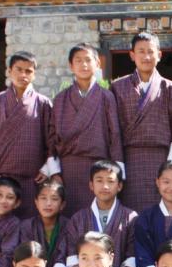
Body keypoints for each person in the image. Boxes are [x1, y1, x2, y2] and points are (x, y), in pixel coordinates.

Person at [0, 51, 57, 217]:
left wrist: (47, 168)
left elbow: (52, 140)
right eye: (19, 69)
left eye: (28, 71)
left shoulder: (43, 103)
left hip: (32, 180)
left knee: (30, 228)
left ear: (34, 74)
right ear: (9, 71)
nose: (23, 75)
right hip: (0, 178)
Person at [48, 42, 124, 214]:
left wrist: (117, 171)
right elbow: (51, 137)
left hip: (99, 166)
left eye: (88, 60)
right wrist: (54, 171)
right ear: (71, 65)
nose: (83, 65)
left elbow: (115, 135)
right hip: (69, 167)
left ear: (97, 64)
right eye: (78, 60)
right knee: (70, 213)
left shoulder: (107, 97)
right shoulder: (60, 99)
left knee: (96, 213)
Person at [111, 32, 172, 212]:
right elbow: (113, 129)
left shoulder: (169, 87)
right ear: (132, 55)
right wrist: (118, 165)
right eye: (141, 51)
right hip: (130, 159)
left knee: (160, 209)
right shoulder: (118, 87)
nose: (146, 56)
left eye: (150, 51)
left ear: (159, 55)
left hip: (161, 157)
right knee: (131, 209)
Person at [63, 159, 137, 267]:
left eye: (110, 181)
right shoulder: (78, 218)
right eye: (99, 181)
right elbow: (72, 254)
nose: (105, 186)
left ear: (119, 186)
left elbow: (132, 253)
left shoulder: (130, 217)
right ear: (91, 185)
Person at [17, 178, 70, 267]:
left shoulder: (68, 225)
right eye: (43, 198)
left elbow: (64, 255)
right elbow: (25, 254)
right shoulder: (27, 226)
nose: (48, 203)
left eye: (54, 199)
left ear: (62, 205)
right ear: (36, 202)